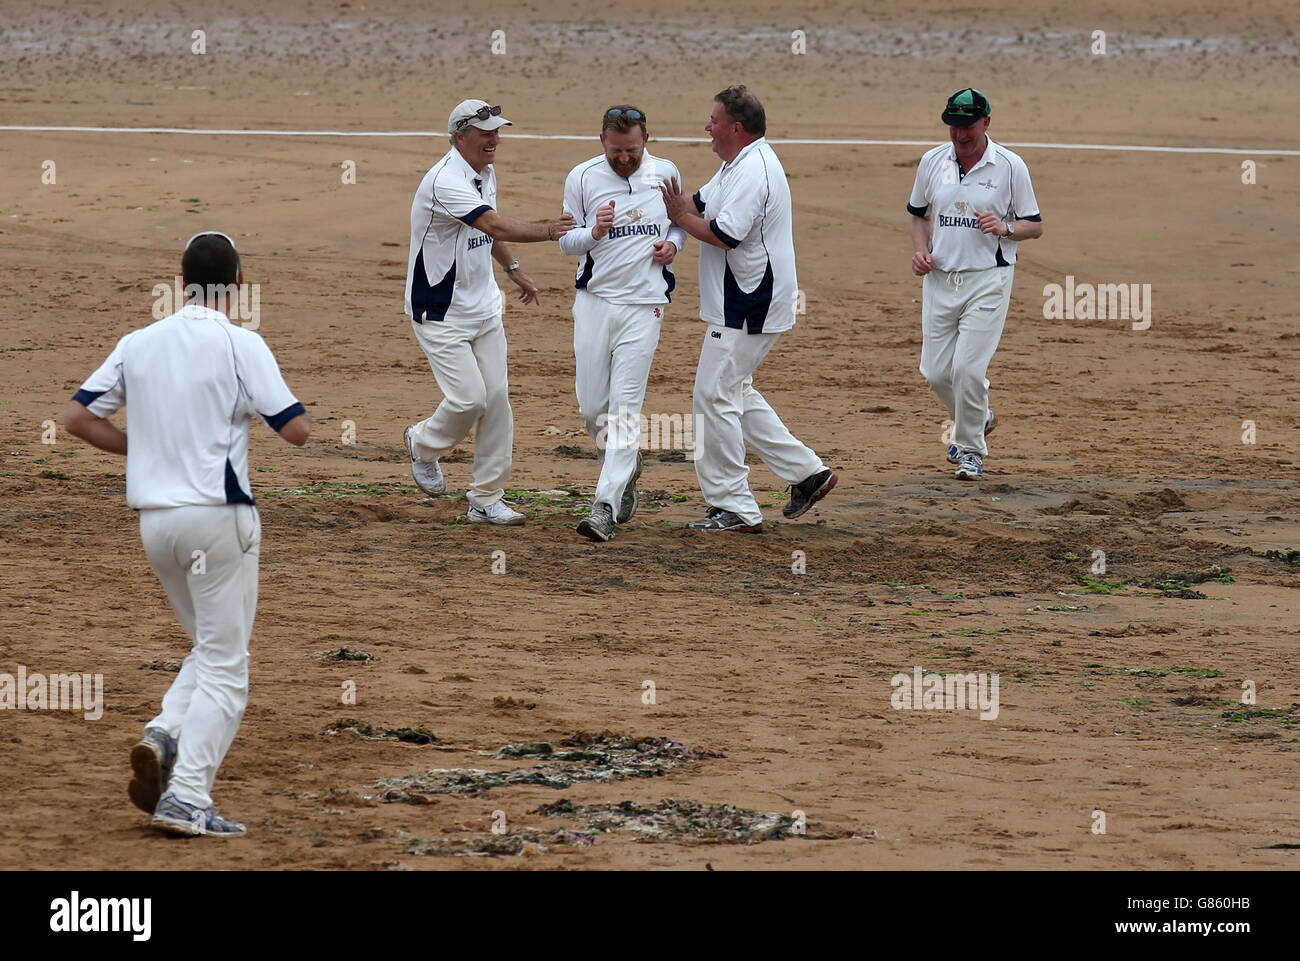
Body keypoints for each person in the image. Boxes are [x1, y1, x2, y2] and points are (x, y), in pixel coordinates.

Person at [64, 231, 310, 836]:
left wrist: (147, 449)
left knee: (209, 645)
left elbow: (77, 418)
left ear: (179, 285)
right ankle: (188, 795)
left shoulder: (139, 342)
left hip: (157, 525)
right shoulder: (240, 343)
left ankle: (166, 731)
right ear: (239, 286)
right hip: (217, 519)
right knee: (228, 665)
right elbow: (296, 430)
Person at [661, 84, 835, 533]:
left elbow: (723, 233)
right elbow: (697, 203)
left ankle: (734, 506)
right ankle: (807, 473)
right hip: (744, 299)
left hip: (751, 300)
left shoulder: (754, 169)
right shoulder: (735, 164)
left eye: (714, 121)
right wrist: (660, 211)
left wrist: (679, 221)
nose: (708, 128)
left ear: (736, 128)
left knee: (712, 395)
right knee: (734, 390)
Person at [402, 98, 575, 524]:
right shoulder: (445, 180)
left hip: (484, 308)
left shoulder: (484, 172)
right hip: (439, 309)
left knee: (496, 400)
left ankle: (485, 499)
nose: (495, 139)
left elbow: (485, 227)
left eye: (498, 131)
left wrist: (513, 268)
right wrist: (550, 231)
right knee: (468, 399)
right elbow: (494, 224)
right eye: (486, 133)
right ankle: (422, 444)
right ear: (460, 135)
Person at [559, 105, 687, 542]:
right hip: (594, 302)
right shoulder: (582, 177)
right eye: (616, 151)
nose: (625, 159)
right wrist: (593, 233)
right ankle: (627, 466)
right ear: (602, 143)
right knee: (594, 408)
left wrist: (672, 245)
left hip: (646, 303)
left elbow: (680, 224)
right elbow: (566, 242)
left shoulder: (666, 171)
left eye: (632, 150)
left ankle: (604, 505)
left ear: (645, 139)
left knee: (625, 406)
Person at [907, 87, 1043, 480]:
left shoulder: (1010, 166)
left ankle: (970, 450)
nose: (960, 136)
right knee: (935, 373)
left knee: (967, 370)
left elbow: (1034, 226)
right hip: (939, 278)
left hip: (989, 278)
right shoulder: (933, 161)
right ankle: (979, 417)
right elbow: (918, 215)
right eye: (953, 127)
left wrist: (1005, 228)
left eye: (967, 127)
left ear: (986, 122)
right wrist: (920, 251)